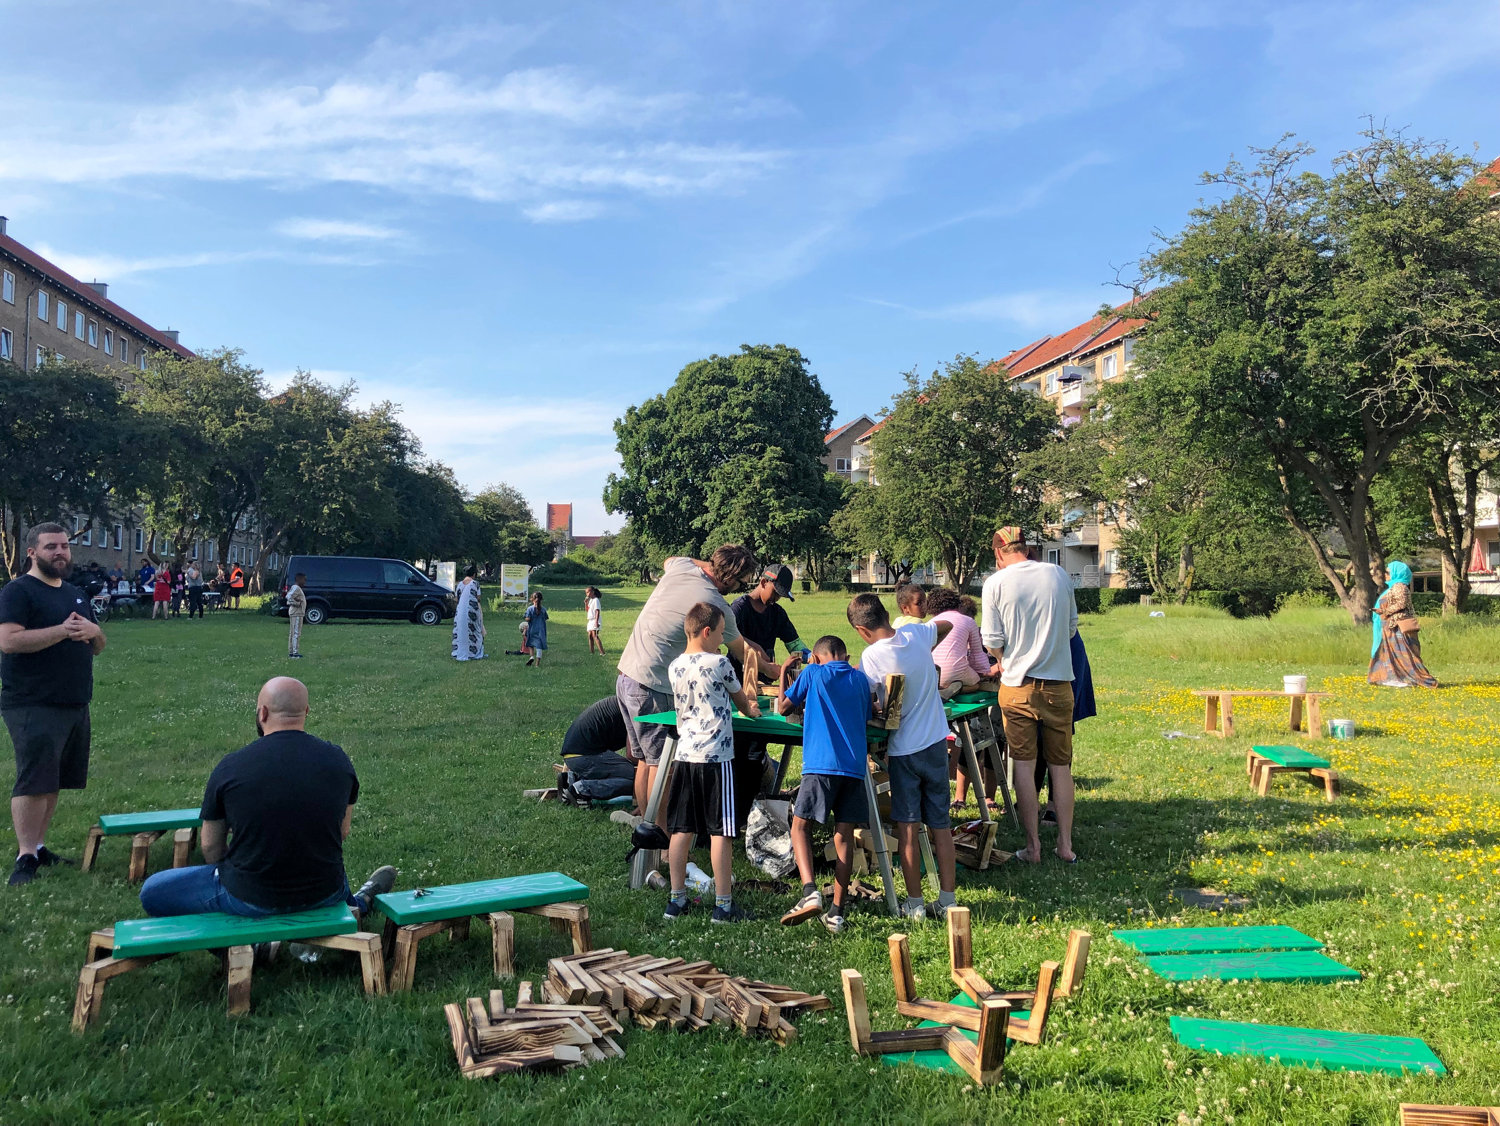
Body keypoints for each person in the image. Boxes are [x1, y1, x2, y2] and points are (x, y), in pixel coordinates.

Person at [138, 677, 395, 918]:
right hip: (324, 891)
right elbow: (342, 831)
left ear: (262, 713)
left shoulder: (232, 766)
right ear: (306, 712)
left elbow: (211, 847)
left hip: (251, 896)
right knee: (324, 860)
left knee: (154, 890)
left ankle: (246, 943)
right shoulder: (338, 761)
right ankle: (358, 903)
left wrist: (239, 870)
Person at [0, 523, 107, 886]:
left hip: (74, 701)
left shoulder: (75, 593)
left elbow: (97, 641)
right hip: (31, 700)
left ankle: (40, 846)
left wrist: (95, 634)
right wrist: (62, 631)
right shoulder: (19, 592)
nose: (60, 552)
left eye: (64, 546)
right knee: (33, 778)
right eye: (51, 547)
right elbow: (10, 641)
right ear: (32, 552)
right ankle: (25, 855)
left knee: (54, 777)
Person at [616, 544, 759, 815]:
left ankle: (647, 828)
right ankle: (664, 842)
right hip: (653, 686)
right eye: (740, 583)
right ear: (728, 577)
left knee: (645, 761)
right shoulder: (715, 607)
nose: (740, 589)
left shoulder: (682, 567)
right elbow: (742, 651)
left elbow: (669, 558)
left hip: (627, 676)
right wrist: (772, 670)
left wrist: (711, 564)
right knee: (663, 766)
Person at [848, 592, 957, 920]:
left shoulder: (871, 656)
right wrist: (928, 646)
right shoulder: (915, 634)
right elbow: (947, 624)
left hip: (903, 750)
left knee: (907, 827)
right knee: (941, 825)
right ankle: (948, 899)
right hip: (936, 742)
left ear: (863, 632)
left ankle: (914, 903)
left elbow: (867, 700)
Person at [981, 527, 1079, 865]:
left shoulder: (996, 583)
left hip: (1017, 686)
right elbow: (1070, 629)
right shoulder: (1058, 574)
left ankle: (1033, 846)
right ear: (1028, 548)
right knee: (1061, 767)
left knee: (1023, 766)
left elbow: (992, 639)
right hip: (1059, 685)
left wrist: (1002, 659)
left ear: (998, 554)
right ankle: (1065, 846)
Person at [662, 602, 762, 924]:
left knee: (681, 829)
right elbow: (742, 701)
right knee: (722, 831)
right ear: (707, 632)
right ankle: (724, 905)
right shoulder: (720, 663)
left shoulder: (674, 666)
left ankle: (676, 900)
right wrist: (753, 710)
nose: (722, 640)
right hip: (717, 757)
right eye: (720, 633)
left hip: (686, 756)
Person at [776, 635, 873, 934]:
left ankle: (809, 892)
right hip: (854, 769)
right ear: (845, 655)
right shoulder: (861, 680)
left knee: (800, 827)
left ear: (817, 658)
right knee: (843, 836)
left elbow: (783, 708)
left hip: (821, 765)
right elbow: (867, 715)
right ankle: (837, 912)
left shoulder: (812, 673)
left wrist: (782, 674)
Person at [729, 564, 808, 685]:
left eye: (780, 596)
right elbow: (730, 637)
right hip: (737, 681)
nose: (776, 598)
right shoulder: (739, 608)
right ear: (764, 582)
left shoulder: (777, 613)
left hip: (765, 682)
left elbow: (794, 643)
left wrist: (812, 657)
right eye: (775, 593)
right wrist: (755, 647)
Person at [1368, 560, 1437, 688]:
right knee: (1390, 653)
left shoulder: (1399, 586)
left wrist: (1385, 611)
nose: (1385, 574)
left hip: (1398, 627)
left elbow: (1401, 603)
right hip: (1390, 626)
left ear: (1396, 573)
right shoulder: (1393, 587)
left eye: (1388, 572)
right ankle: (1392, 677)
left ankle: (1414, 679)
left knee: (1403, 654)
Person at [558, 697, 634, 803]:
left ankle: (574, 778)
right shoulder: (636, 710)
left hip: (574, 755)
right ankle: (582, 789)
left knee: (632, 774)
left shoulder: (628, 701)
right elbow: (632, 755)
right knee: (637, 779)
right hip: (585, 756)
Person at [928, 587, 999, 699]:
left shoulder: (930, 623)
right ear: (957, 604)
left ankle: (943, 689)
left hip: (934, 675)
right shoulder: (968, 621)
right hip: (956, 672)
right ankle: (953, 690)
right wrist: (983, 672)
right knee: (976, 684)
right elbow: (977, 654)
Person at [451, 566, 485, 662]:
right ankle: (473, 652)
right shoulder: (475, 583)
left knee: (461, 630)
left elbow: (457, 598)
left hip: (460, 610)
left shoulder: (460, 585)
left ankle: (460, 650)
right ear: (474, 574)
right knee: (475, 630)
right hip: (472, 610)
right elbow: (478, 598)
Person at [523, 591, 549, 667]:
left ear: (532, 599)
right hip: (541, 630)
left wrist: (527, 619)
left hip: (532, 629)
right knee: (539, 646)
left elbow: (527, 618)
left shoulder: (530, 609)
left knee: (531, 644)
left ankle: (531, 657)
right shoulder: (543, 610)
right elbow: (546, 618)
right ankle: (537, 664)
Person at [286, 571, 308, 659]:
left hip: (296, 613)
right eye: (304, 580)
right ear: (299, 579)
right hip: (297, 613)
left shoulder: (296, 588)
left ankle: (291, 651)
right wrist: (296, 603)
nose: (305, 582)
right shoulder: (296, 588)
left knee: (293, 632)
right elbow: (288, 596)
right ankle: (295, 652)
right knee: (296, 633)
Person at [585, 586, 605, 656]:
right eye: (586, 593)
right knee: (590, 635)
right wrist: (586, 603)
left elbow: (597, 611)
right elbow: (587, 610)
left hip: (595, 619)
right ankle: (592, 652)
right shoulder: (591, 600)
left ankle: (602, 652)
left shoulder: (596, 600)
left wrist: (596, 622)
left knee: (595, 635)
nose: (587, 594)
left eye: (588, 592)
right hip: (590, 620)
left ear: (593, 592)